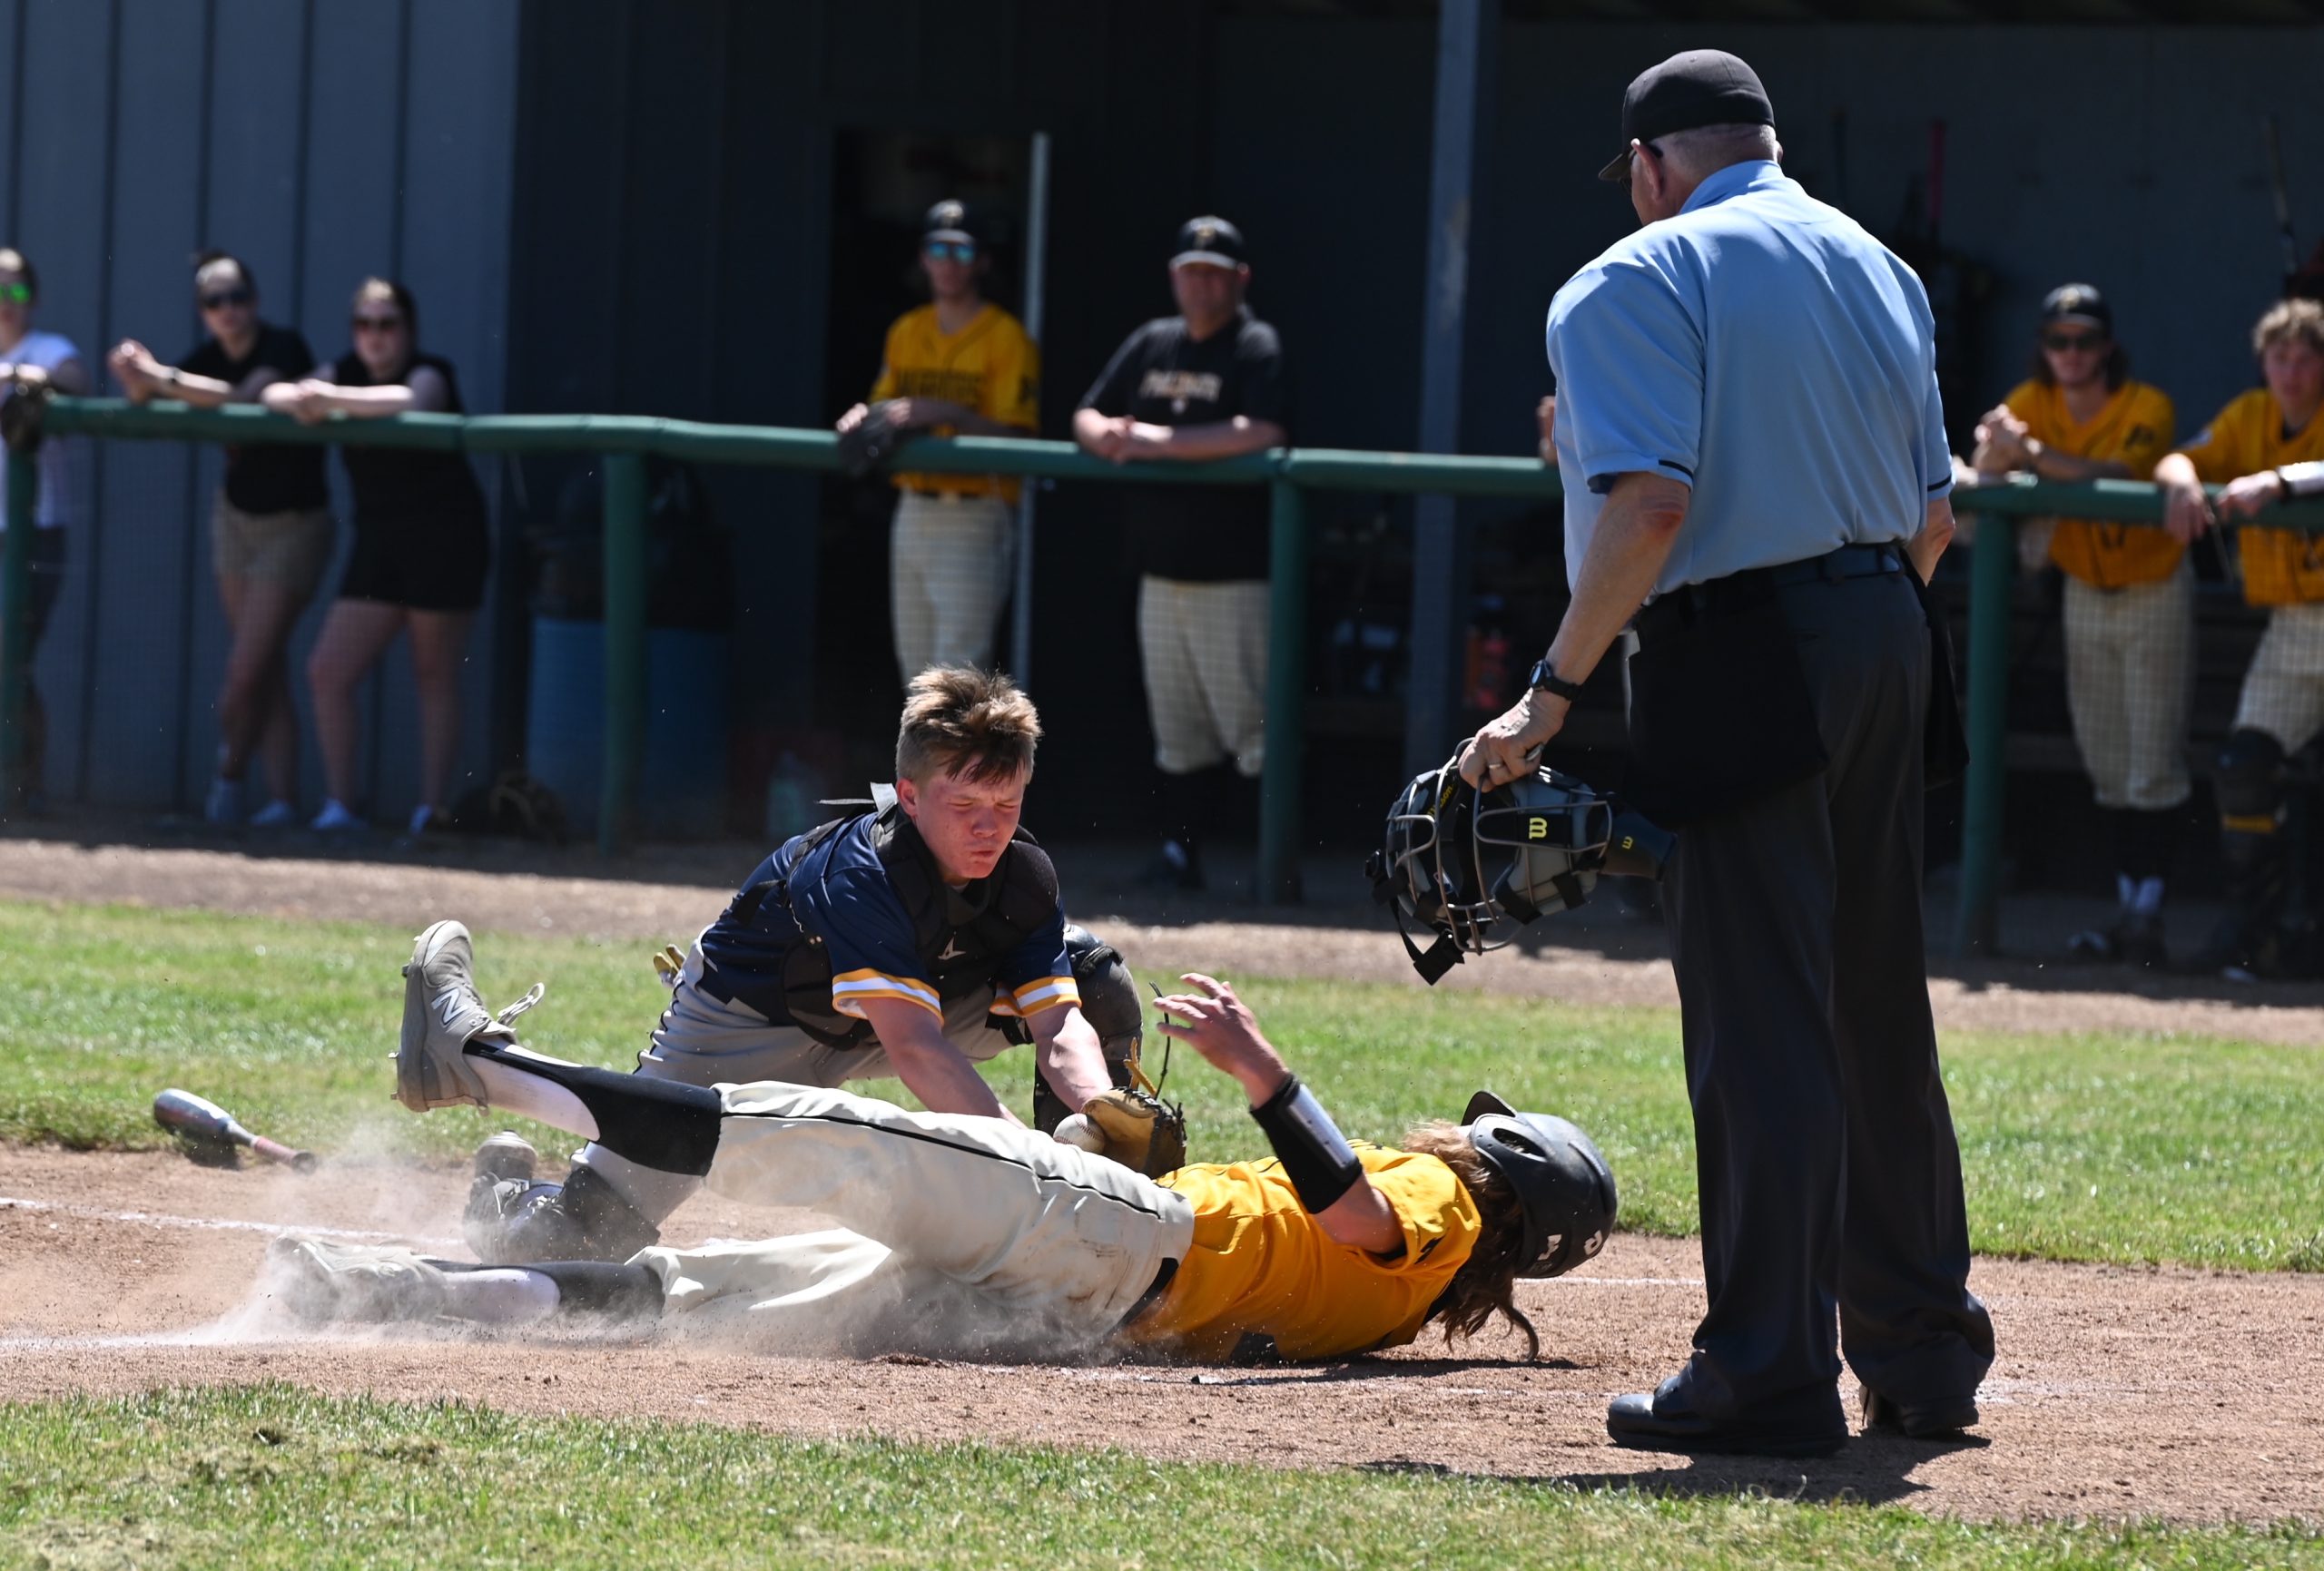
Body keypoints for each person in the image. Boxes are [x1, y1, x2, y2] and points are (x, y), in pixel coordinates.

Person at [1462, 50, 1993, 1456]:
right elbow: (1939, 516)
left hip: (1747, 644)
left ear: (1651, 165)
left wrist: (1550, 694)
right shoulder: (1880, 260)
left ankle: (1765, 1369)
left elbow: (1649, 504)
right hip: (1890, 622)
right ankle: (1925, 1356)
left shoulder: (1632, 275)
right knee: (1875, 997)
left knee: (1760, 1013)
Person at [272, 956, 1617, 1368]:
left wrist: (1266, 1076)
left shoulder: (1445, 1206)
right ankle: (393, 1285)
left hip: (1109, 1236)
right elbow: (1308, 1250)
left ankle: (476, 1056)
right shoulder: (1396, 1320)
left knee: (790, 1128)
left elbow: (1364, 1216)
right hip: (1072, 1302)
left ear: (1507, 1168)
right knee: (706, 1298)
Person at [449, 666, 1165, 1266]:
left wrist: (1095, 1113)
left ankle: (1095, 1238)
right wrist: (1033, 1168)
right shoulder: (863, 872)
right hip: (748, 1026)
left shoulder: (1023, 874)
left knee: (1094, 978)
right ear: (908, 795)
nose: (989, 825)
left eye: (1006, 803)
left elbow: (1061, 1024)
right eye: (966, 802)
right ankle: (500, 1194)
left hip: (890, 1020)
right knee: (577, 1240)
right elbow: (919, 1051)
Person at [1073, 217, 1290, 892]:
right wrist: (1105, 434)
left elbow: (1264, 430)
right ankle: (1180, 856)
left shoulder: (1255, 345)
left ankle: (1271, 864)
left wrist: (1157, 439)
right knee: (1178, 730)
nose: (1201, 283)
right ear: (1175, 276)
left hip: (1233, 575)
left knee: (1252, 727)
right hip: (1159, 571)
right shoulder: (1152, 342)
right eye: (1191, 270)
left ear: (1239, 280)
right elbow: (1086, 412)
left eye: (1214, 271)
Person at [1972, 284, 2182, 967]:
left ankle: (2147, 911)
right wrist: (1999, 451)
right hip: (2083, 592)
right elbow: (1986, 472)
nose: (2070, 352)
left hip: (2152, 587)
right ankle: (2128, 912)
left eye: (2084, 340)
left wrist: (2027, 452)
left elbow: (2114, 477)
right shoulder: (2030, 402)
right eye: (2059, 340)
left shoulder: (2145, 404)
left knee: (2151, 763)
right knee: (2108, 762)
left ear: (2107, 347)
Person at [110, 252, 336, 830]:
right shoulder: (203, 359)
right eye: (215, 302)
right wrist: (137, 375)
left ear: (254, 302)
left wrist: (164, 378)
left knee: (243, 673)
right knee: (263, 667)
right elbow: (149, 398)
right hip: (235, 519)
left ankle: (228, 778)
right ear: (202, 312)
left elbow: (244, 396)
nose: (228, 310)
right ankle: (282, 801)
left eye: (237, 298)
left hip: (294, 523)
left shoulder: (283, 346)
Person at [265, 278, 488, 835]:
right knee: (327, 671)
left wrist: (330, 402)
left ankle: (430, 811)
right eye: (364, 324)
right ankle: (342, 807)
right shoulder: (340, 370)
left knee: (434, 673)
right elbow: (275, 394)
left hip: (444, 539)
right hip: (379, 543)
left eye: (387, 324)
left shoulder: (430, 371)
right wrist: (300, 397)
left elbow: (412, 402)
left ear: (407, 331)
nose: (375, 336)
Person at [2156, 298, 2324, 981]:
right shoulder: (2251, 415)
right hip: (2293, 624)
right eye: (2280, 356)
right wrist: (2183, 483)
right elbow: (2176, 457)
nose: (2292, 370)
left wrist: (2279, 482)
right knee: (2245, 764)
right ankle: (2250, 937)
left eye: (2307, 356)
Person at [836, 201, 1039, 685]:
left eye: (961, 252)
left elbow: (1022, 437)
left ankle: (957, 766)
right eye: (938, 249)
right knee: (915, 670)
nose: (948, 262)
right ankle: (922, 767)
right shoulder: (907, 331)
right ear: (923, 257)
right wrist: (864, 414)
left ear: (982, 262)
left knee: (956, 674)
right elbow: (883, 408)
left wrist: (947, 413)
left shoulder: (1007, 338)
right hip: (914, 509)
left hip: (974, 511)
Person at [0, 246, 90, 810]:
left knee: (10, 656)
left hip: (34, 534)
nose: (7, 303)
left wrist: (25, 376)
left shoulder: (50, 350)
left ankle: (21, 782)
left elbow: (74, 380)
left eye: (17, 291)